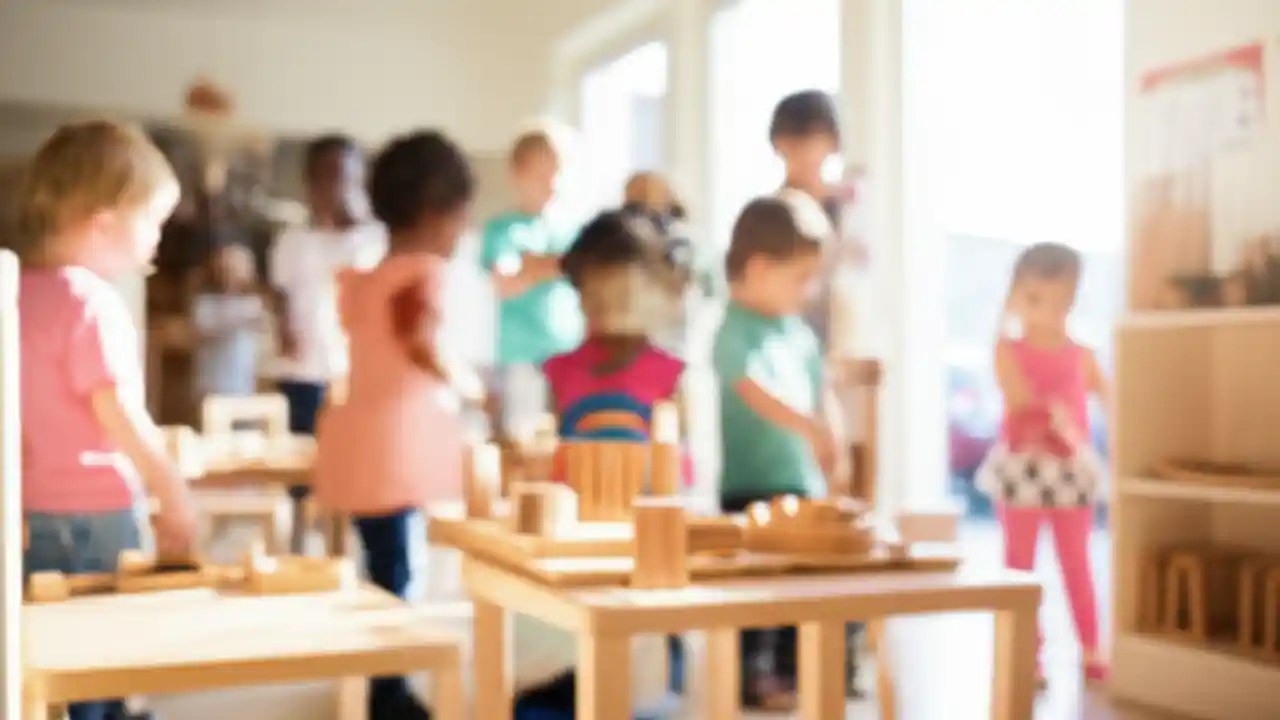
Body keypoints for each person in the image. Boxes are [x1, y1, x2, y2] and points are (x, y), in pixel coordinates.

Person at [16, 120, 199, 720]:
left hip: (27, 512)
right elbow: (118, 413)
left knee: (51, 660)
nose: (157, 240)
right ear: (104, 225)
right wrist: (174, 493)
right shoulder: (91, 303)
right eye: (154, 223)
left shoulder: (15, 295)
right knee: (105, 661)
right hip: (95, 515)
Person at [313, 130, 474, 720]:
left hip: (358, 439)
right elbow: (422, 340)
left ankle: (379, 684)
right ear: (435, 215)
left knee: (381, 567)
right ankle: (387, 692)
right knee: (399, 573)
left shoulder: (367, 276)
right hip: (394, 450)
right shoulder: (421, 273)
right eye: (460, 220)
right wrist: (467, 383)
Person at [713, 191, 845, 710]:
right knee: (756, 590)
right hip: (750, 486)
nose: (808, 292)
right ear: (760, 268)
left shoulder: (798, 333)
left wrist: (831, 434)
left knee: (800, 585)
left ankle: (799, 672)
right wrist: (808, 426)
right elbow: (751, 389)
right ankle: (755, 677)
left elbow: (821, 388)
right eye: (801, 278)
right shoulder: (733, 328)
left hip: (799, 483)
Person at [976, 242, 1109, 684]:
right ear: (1015, 295)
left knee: (1077, 562)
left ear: (1072, 300)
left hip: (1070, 472)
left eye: (1059, 301)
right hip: (1024, 470)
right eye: (1033, 298)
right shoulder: (1007, 349)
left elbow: (1112, 400)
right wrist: (1053, 413)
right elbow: (1018, 397)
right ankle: (1027, 654)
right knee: (1019, 566)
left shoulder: (1083, 355)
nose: (1046, 312)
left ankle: (1091, 647)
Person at [268, 134, 385, 545]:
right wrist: (284, 327)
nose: (333, 185)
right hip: (303, 371)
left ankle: (345, 543)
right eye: (325, 175)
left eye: (343, 175)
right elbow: (280, 293)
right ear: (310, 180)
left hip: (355, 374)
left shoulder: (374, 239)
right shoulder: (293, 239)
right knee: (300, 466)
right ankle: (299, 544)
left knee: (354, 465)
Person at [480, 128, 583, 440]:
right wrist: (556, 266)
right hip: (520, 360)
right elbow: (505, 282)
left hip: (569, 355)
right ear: (517, 174)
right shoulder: (504, 230)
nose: (550, 183)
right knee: (522, 443)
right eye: (540, 174)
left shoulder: (572, 228)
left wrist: (537, 266)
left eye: (556, 173)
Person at [190, 244, 265, 405]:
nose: (232, 276)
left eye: (238, 270)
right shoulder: (205, 302)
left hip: (243, 385)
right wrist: (236, 323)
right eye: (227, 269)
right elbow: (201, 331)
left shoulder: (253, 303)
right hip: (212, 384)